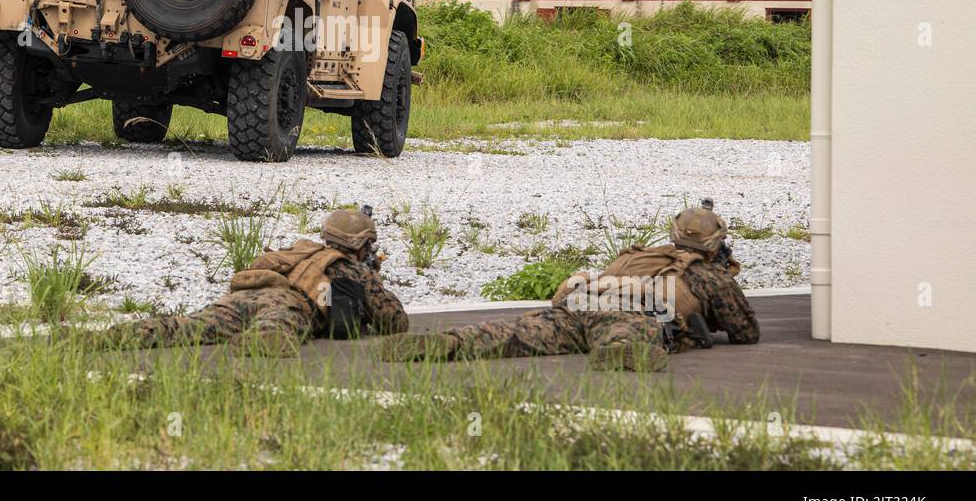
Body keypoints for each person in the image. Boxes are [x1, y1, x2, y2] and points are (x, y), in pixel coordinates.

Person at [377, 199, 759, 371]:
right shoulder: (710, 276)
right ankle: (620, 353)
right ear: (716, 244)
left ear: (674, 233)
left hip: (578, 306)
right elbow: (745, 332)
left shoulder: (641, 253)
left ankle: (455, 342)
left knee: (515, 333)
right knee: (626, 334)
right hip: (626, 315)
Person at [96, 206, 408, 355]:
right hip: (288, 302)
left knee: (189, 325)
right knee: (276, 328)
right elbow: (394, 322)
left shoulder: (300, 249)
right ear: (363, 244)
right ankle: (258, 341)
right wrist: (372, 279)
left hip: (245, 295)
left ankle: (114, 336)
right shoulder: (353, 270)